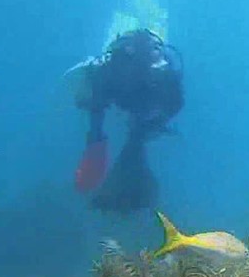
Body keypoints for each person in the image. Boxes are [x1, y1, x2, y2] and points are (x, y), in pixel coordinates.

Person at [68, 28, 184, 215]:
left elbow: (175, 103)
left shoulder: (166, 73)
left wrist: (153, 122)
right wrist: (95, 138)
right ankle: (123, 194)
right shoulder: (112, 68)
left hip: (142, 106)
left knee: (136, 138)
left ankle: (127, 194)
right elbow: (94, 100)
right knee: (130, 138)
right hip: (120, 95)